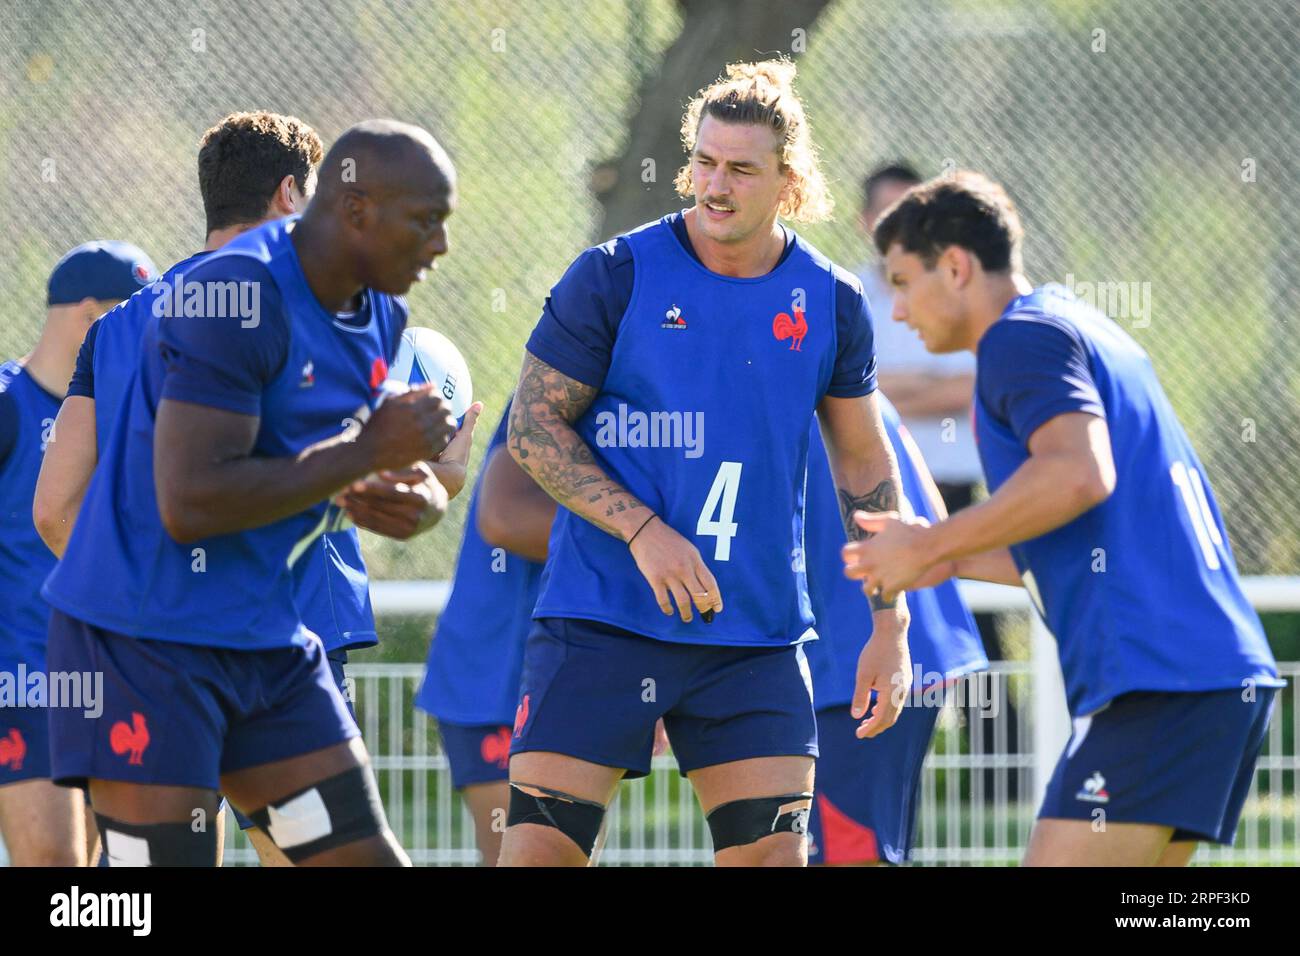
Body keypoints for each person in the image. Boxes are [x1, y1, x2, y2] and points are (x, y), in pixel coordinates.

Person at [34, 111, 478, 866]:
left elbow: (337, 473)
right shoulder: (232, 296)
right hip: (148, 650)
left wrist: (424, 491)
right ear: (344, 208)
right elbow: (192, 500)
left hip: (266, 642)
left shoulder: (373, 317)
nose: (439, 245)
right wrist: (143, 580)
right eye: (425, 221)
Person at [500, 59, 910, 868]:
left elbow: (864, 465)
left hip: (754, 637)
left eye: (741, 170)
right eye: (705, 162)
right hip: (602, 620)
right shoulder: (614, 275)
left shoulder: (830, 302)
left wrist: (890, 624)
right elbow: (534, 428)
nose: (715, 186)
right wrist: (643, 530)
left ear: (788, 183)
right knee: (540, 856)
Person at [843, 170, 1284, 866]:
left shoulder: (1018, 341)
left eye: (900, 281)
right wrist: (939, 554)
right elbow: (1077, 537)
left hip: (1158, 681)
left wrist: (936, 547)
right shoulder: (1077, 327)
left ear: (954, 266)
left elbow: (1078, 474)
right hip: (1214, 678)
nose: (895, 311)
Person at [0, 241, 156, 866]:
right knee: (54, 867)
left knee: (99, 876)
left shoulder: (117, 414)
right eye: (132, 316)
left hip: (106, 673)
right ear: (92, 316)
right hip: (22, 678)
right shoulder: (9, 404)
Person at [802, 396, 986, 865]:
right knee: (866, 849)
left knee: (849, 854)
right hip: (908, 645)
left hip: (856, 662)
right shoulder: (863, 391)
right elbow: (937, 522)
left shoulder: (789, 390)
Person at [414, 397, 550, 866]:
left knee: (569, 851)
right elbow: (505, 520)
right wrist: (637, 530)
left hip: (579, 667)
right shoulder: (556, 384)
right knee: (520, 855)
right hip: (494, 675)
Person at [857, 163, 981, 510]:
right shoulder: (846, 295)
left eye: (911, 216)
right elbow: (833, 390)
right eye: (888, 214)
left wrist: (873, 399)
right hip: (874, 488)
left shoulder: (959, 295)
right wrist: (930, 382)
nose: (901, 230)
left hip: (953, 488)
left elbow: (970, 387)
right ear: (864, 221)